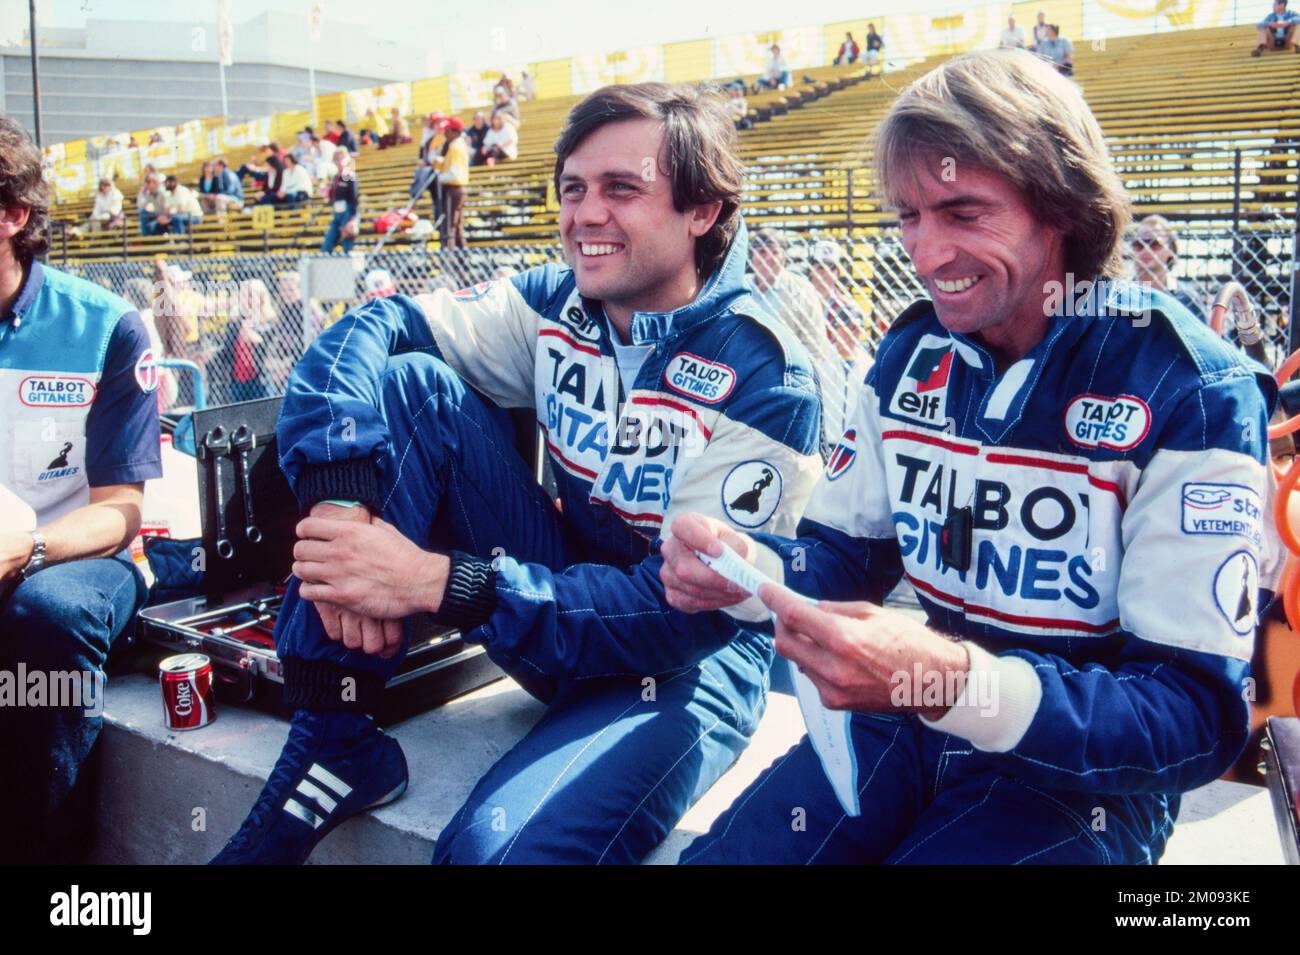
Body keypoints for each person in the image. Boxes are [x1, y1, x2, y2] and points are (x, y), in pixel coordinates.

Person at [661, 49, 1282, 866]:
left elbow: (1192, 719)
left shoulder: (1190, 386)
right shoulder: (910, 351)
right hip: (899, 719)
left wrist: (954, 681)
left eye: (962, 212)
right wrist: (746, 569)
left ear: (1062, 207)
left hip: (1080, 785)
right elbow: (841, 558)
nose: (926, 253)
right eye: (908, 217)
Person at [209, 81, 824, 866]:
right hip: (553, 599)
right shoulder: (557, 299)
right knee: (408, 387)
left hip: (683, 661)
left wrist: (443, 582)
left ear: (701, 211)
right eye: (573, 189)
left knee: (489, 857)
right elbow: (377, 324)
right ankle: (334, 728)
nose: (585, 214)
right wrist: (339, 498)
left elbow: (678, 617)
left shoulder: (765, 371)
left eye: (622, 189)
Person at [0, 116, 162, 863]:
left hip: (75, 561)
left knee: (47, 616)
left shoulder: (107, 327)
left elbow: (122, 511)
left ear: (12, 214)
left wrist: (27, 548)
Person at [747, 229, 847, 446]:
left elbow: (814, 344)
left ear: (783, 255)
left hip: (789, 381)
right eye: (760, 252)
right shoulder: (742, 287)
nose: (766, 259)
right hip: (745, 380)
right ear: (752, 257)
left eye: (773, 252)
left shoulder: (801, 290)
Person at [1129, 214, 1207, 322]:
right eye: (1139, 244)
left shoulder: (1186, 299)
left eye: (1154, 244)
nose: (1146, 249)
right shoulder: (1119, 296)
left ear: (1170, 251)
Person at [434, 117, 470, 247]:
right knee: (457, 225)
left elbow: (454, 174)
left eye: (447, 131)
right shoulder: (457, 146)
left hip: (453, 189)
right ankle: (461, 259)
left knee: (449, 226)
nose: (445, 133)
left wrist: (439, 177)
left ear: (455, 132)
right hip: (458, 189)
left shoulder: (455, 147)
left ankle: (449, 258)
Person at [321, 150, 360, 254]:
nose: (340, 161)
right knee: (327, 245)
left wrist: (352, 218)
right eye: (337, 159)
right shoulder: (336, 177)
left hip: (347, 212)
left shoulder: (348, 175)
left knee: (347, 244)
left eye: (342, 158)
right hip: (337, 212)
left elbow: (354, 197)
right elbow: (333, 197)